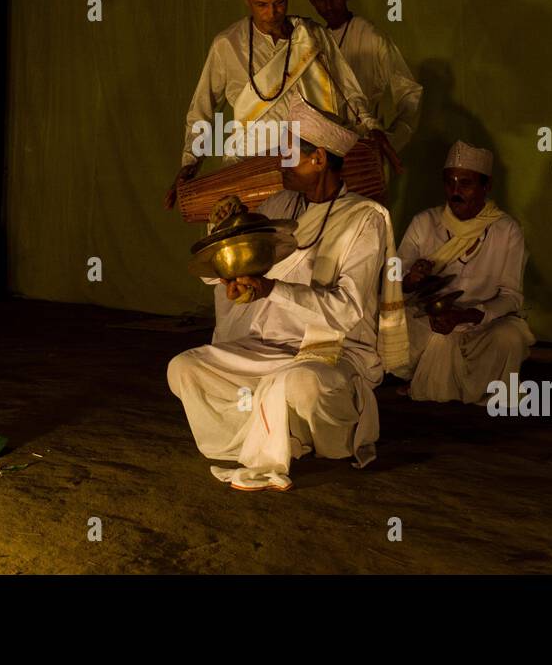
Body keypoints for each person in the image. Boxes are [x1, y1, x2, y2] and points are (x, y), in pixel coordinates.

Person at [167, 98, 411, 490]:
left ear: (317, 158)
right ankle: (281, 431)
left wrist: (271, 288)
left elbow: (347, 310)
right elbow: (236, 263)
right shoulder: (282, 204)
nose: (279, 161)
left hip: (332, 352)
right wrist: (223, 235)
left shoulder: (365, 218)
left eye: (288, 152)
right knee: (184, 368)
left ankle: (297, 431)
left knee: (298, 384)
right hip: (268, 348)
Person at [164, 0, 399, 209]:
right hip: (250, 170)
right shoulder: (227, 44)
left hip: (309, 171)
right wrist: (190, 161)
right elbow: (202, 110)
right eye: (261, 5)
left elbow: (350, 93)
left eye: (279, 2)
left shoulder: (311, 36)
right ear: (247, 0)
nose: (272, 13)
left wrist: (372, 127)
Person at [399, 141, 534, 403]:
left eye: (466, 183)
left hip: (481, 324)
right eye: (450, 182)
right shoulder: (424, 223)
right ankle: (417, 377)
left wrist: (468, 315)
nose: (455, 191)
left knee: (510, 337)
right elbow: (393, 277)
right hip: (429, 320)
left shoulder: (507, 230)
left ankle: (466, 386)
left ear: (487, 186)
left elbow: (511, 296)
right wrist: (411, 279)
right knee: (395, 321)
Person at [307, 0, 422, 154]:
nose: (328, 7)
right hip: (321, 149)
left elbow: (409, 92)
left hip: (363, 145)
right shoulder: (313, 41)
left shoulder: (371, 37)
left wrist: (392, 138)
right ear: (311, 0)